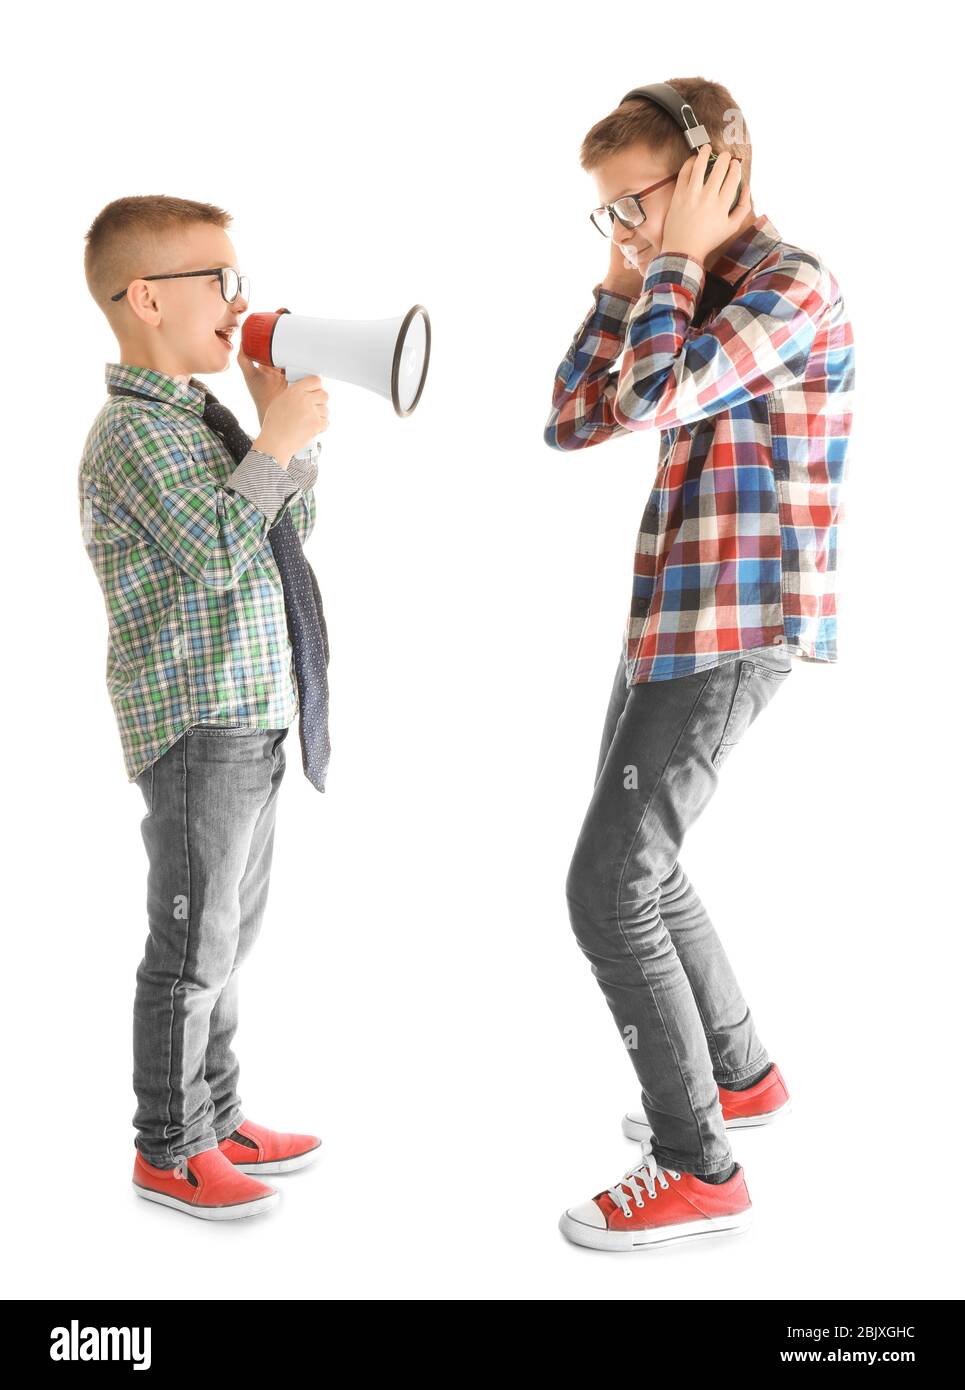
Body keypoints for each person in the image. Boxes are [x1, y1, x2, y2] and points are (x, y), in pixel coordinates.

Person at [543, 78, 855, 1251]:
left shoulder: (788, 287)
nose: (625, 229)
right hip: (673, 621)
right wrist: (626, 282)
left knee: (605, 886)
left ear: (717, 170)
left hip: (732, 623)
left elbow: (657, 392)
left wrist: (661, 276)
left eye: (636, 204)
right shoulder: (682, 289)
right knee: (643, 865)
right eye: (608, 215)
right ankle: (739, 1076)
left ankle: (696, 1166)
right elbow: (574, 419)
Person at [78, 195, 329, 1220]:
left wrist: (278, 432)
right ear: (146, 300)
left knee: (225, 939)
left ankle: (217, 1115)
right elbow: (222, 554)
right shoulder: (136, 433)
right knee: (188, 949)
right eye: (218, 280)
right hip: (197, 732)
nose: (240, 298)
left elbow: (286, 526)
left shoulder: (201, 419)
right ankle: (168, 1145)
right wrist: (269, 438)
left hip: (250, 717)